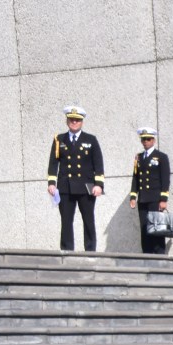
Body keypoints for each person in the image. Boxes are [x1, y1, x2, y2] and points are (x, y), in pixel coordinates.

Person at [46, 105, 104, 252]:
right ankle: (66, 252)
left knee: (88, 221)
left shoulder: (90, 139)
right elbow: (53, 163)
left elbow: (98, 163)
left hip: (86, 187)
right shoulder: (59, 139)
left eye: (77, 120)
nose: (74, 122)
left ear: (82, 122)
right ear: (67, 121)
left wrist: (99, 185)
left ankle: (90, 252)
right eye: (71, 119)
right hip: (66, 186)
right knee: (66, 221)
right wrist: (52, 183)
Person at [128, 127, 171, 254]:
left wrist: (163, 199)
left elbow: (165, 179)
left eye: (148, 139)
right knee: (144, 228)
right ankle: (146, 254)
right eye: (143, 139)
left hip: (155, 199)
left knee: (156, 228)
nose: (145, 141)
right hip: (143, 199)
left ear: (154, 140)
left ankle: (159, 255)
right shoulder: (139, 157)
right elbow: (136, 178)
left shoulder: (161, 157)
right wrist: (133, 196)